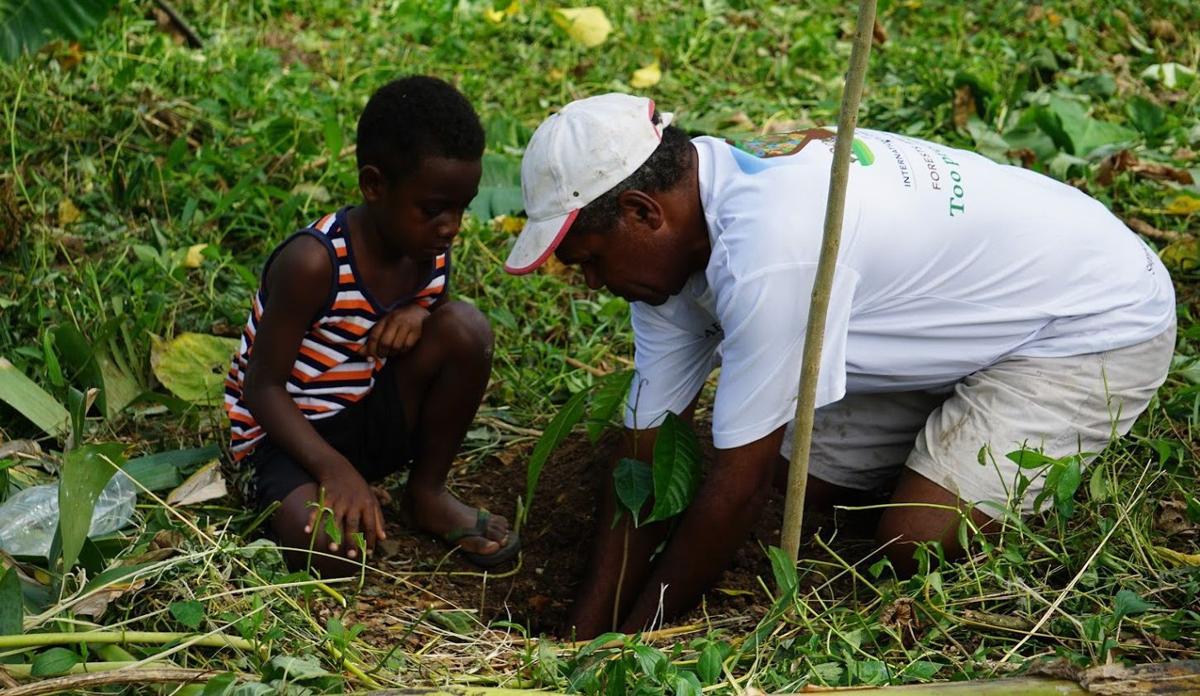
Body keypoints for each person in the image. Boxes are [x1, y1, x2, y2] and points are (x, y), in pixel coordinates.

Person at [506, 93, 1175, 638]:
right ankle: (941, 429)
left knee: (913, 541)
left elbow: (735, 492)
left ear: (641, 212)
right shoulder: (673, 248)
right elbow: (644, 454)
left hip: (1086, 319)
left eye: (591, 260)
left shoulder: (770, 249)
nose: (591, 282)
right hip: (956, 306)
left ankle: (1005, 465)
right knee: (795, 477)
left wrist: (634, 642)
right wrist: (584, 635)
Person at [223, 76, 519, 576]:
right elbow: (261, 388)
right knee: (334, 550)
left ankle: (425, 494)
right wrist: (334, 470)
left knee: (466, 329)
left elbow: (444, 326)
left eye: (461, 208)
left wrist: (420, 313)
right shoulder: (314, 263)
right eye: (434, 209)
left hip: (360, 419)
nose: (451, 227)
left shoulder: (427, 250)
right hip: (282, 438)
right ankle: (314, 492)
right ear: (374, 185)